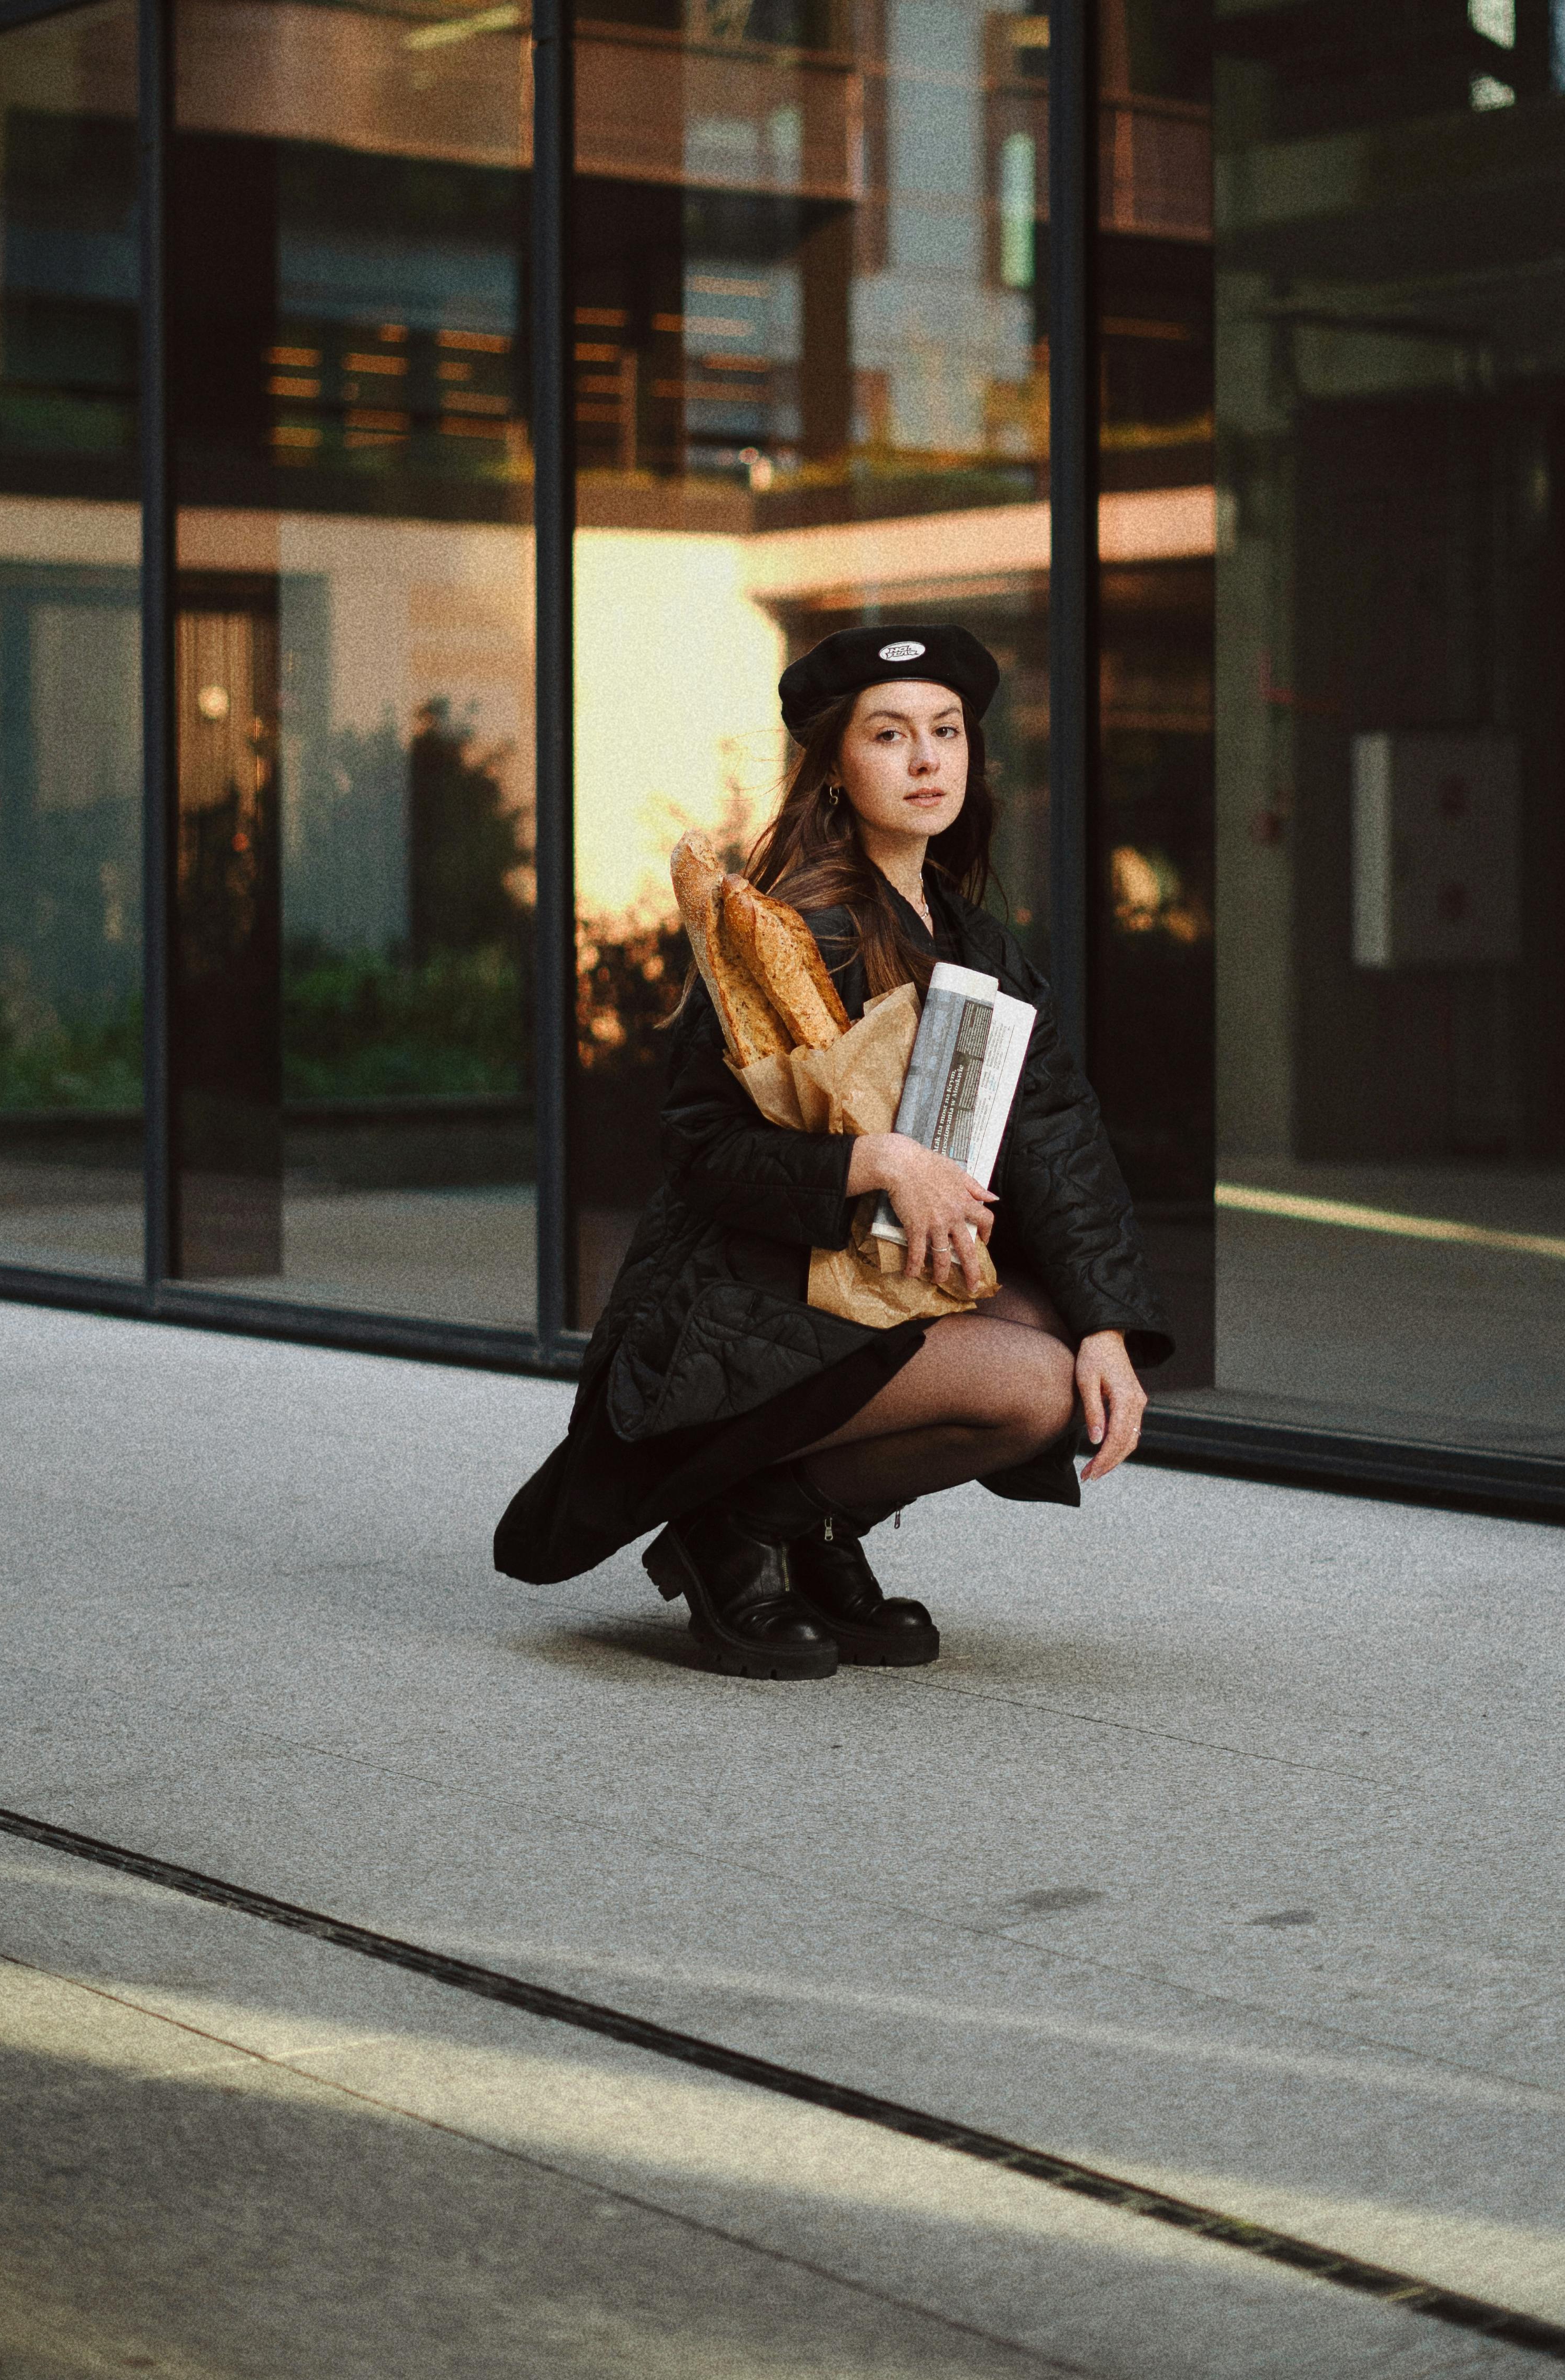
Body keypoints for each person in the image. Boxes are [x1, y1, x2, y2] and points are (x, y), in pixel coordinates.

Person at [493, 622, 1172, 1677]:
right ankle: (737, 1525)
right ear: (835, 765)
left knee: (1059, 1335)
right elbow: (699, 1152)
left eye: (945, 732)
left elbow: (1055, 1134)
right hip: (745, 1296)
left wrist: (1110, 1325)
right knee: (1032, 1389)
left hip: (863, 1285)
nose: (925, 760)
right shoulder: (783, 930)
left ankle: (781, 1520)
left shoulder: (975, 938)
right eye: (889, 735)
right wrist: (876, 1165)